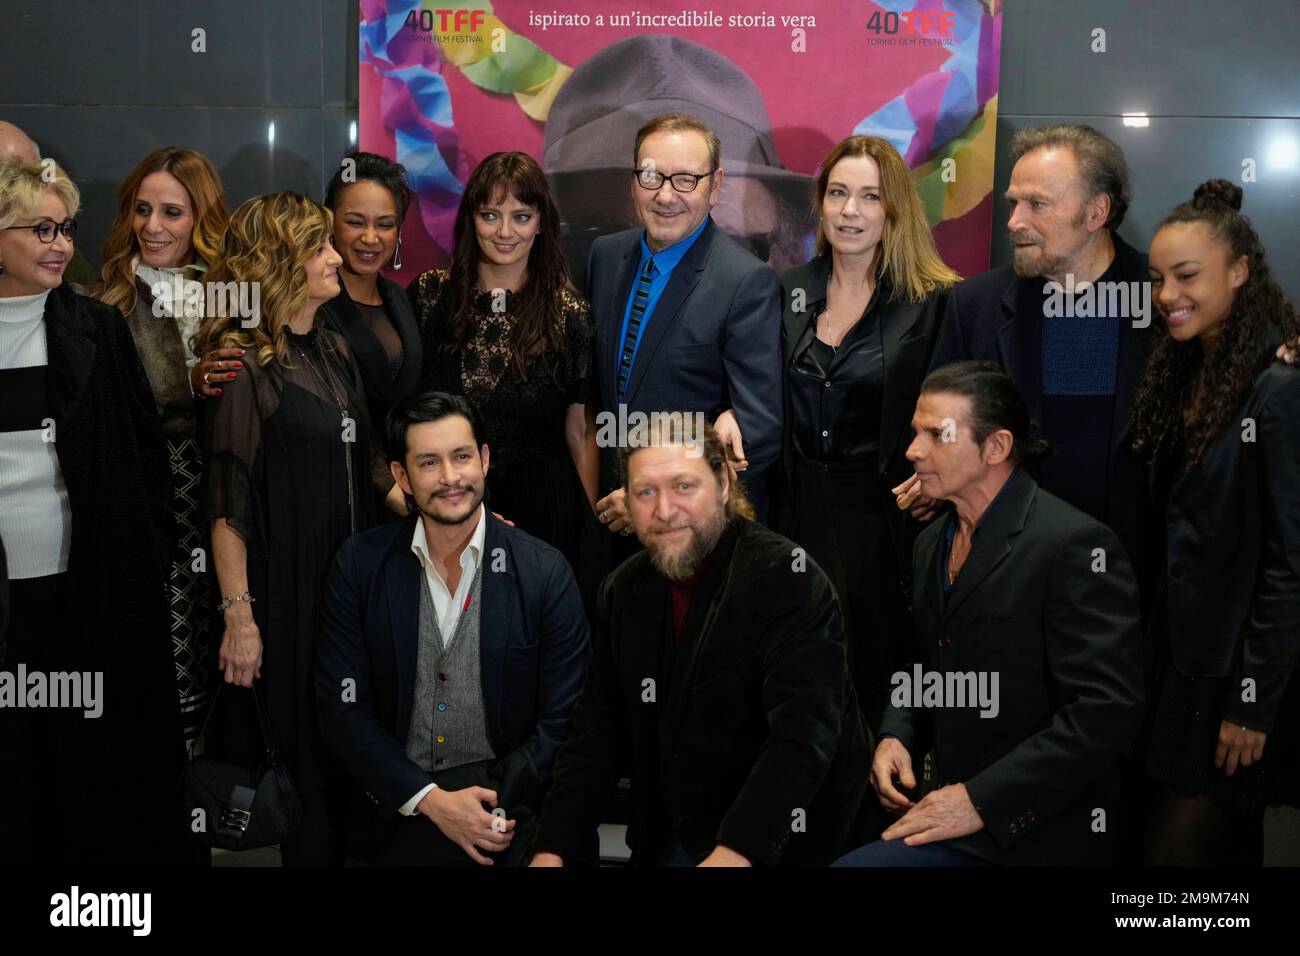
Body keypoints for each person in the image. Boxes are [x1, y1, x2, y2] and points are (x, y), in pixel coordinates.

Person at [837, 362, 1144, 867]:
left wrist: (980, 800)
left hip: (1039, 827)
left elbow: (1105, 713)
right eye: (916, 432)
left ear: (997, 447)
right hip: (948, 812)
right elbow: (923, 661)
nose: (913, 450)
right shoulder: (932, 541)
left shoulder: (1074, 546)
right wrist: (896, 733)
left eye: (937, 435)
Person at [529, 416, 869, 867]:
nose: (665, 510)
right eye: (645, 492)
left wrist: (736, 852)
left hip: (785, 841)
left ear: (724, 483)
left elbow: (803, 740)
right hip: (675, 833)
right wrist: (552, 849)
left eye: (684, 487)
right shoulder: (623, 591)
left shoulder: (788, 579)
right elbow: (595, 736)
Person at [192, 192, 392, 866]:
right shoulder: (241, 365)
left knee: (348, 755)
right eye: (320, 247)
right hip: (286, 596)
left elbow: (368, 466)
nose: (337, 257)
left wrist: (453, 514)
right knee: (303, 769)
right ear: (282, 262)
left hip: (348, 588)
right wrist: (239, 617)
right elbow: (227, 501)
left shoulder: (331, 345)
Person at [0, 157, 185, 865]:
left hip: (88, 592)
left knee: (92, 772)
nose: (58, 244)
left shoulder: (95, 329)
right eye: (39, 228)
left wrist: (149, 556)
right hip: (4, 606)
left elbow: (145, 455)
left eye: (66, 228)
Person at [317, 392, 589, 866]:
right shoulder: (359, 566)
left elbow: (564, 720)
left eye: (461, 456)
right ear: (402, 476)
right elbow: (343, 711)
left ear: (484, 460)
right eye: (428, 463)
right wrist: (430, 800)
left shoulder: (544, 571)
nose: (449, 478)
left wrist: (483, 804)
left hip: (512, 810)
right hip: (398, 806)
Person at [1132, 180, 1300, 866]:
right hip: (1180, 666)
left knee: (1171, 864)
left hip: (1238, 679)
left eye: (1187, 275)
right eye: (1157, 278)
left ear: (1238, 271)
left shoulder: (1280, 388)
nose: (1168, 293)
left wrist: (1252, 704)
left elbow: (1290, 562)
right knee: (1225, 858)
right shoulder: (1183, 371)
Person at [774, 135, 959, 732]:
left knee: (876, 673)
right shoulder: (785, 291)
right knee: (801, 671)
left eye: (870, 196)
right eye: (838, 193)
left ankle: (876, 809)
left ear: (894, 210)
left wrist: (938, 475)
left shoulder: (931, 303)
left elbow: (956, 409)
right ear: (821, 205)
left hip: (887, 519)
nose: (850, 210)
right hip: (793, 511)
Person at [916, 125, 1153, 574]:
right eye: (1013, 203)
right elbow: (941, 423)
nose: (1014, 222)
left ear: (1096, 212)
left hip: (1136, 572)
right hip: (1009, 573)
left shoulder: (1164, 300)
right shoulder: (975, 306)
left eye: (1037, 205)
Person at [408, 152, 601, 600]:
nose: (505, 231)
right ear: (471, 219)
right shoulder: (430, 295)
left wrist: (591, 528)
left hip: (542, 501)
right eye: (490, 214)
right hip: (446, 497)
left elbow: (579, 428)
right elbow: (406, 409)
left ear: (541, 223)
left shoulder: (568, 314)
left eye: (521, 216)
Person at [587, 113, 783, 534]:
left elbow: (758, 428)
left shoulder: (745, 282)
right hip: (607, 518)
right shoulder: (604, 256)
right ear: (633, 181)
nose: (665, 195)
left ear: (715, 187)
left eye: (686, 180)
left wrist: (651, 493)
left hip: (691, 528)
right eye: (652, 175)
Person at [96, 146, 230, 744]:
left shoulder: (232, 298)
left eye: (172, 212)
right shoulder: (102, 303)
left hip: (223, 495)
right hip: (142, 497)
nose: (153, 227)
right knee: (157, 644)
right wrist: (189, 385)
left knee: (225, 633)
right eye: (142, 210)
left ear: (201, 218)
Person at [320, 151, 423, 492]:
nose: (370, 238)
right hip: (337, 487)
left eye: (384, 224)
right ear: (330, 223)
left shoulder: (402, 299)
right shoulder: (313, 304)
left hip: (404, 488)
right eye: (355, 222)